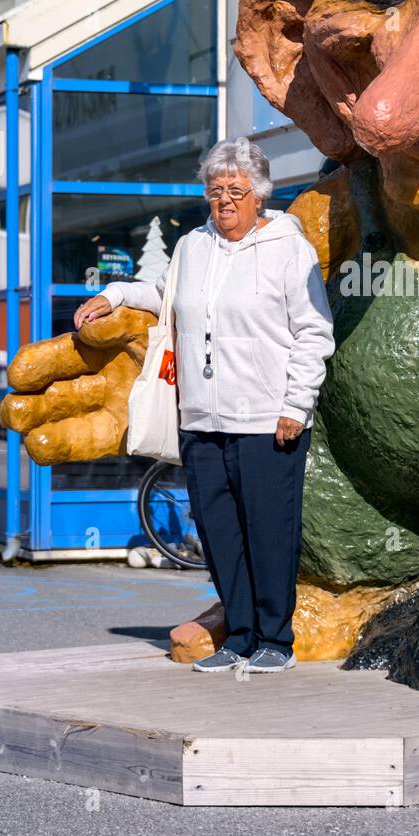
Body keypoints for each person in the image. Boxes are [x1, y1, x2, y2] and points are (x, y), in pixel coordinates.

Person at [73, 138, 335, 673]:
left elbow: (314, 330)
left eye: (236, 190)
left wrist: (296, 403)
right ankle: (238, 635)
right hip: (201, 418)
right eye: (215, 191)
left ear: (260, 194)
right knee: (218, 535)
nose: (225, 200)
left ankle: (275, 641)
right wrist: (117, 295)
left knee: (268, 531)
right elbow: (168, 298)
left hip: (268, 418)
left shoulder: (289, 247)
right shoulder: (194, 246)